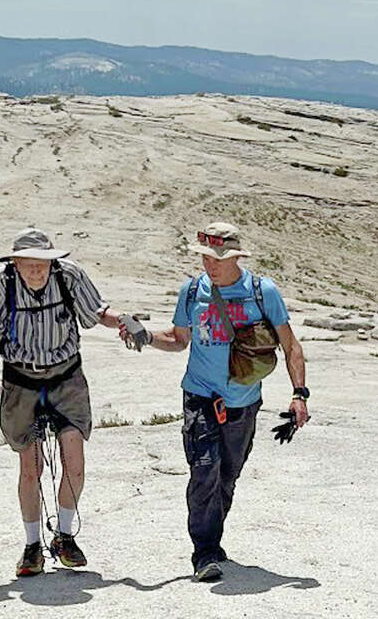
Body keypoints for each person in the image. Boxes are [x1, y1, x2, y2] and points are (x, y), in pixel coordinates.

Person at [119, 222, 310, 582]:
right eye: (206, 257)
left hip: (244, 401)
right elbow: (178, 340)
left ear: (236, 256)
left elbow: (291, 346)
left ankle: (213, 539)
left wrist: (299, 393)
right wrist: (144, 335)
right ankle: (204, 551)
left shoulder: (261, 291)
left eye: (218, 258)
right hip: (200, 396)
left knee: (227, 475)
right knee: (204, 470)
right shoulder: (191, 292)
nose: (211, 265)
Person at [0, 228, 126, 577]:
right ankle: (31, 545)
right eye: (30, 266)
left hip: (65, 377)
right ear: (16, 263)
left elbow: (97, 312)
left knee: (75, 461)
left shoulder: (68, 275)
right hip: (22, 379)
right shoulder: (2, 282)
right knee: (31, 467)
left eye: (43, 264)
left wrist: (124, 321)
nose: (37, 272)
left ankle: (64, 536)